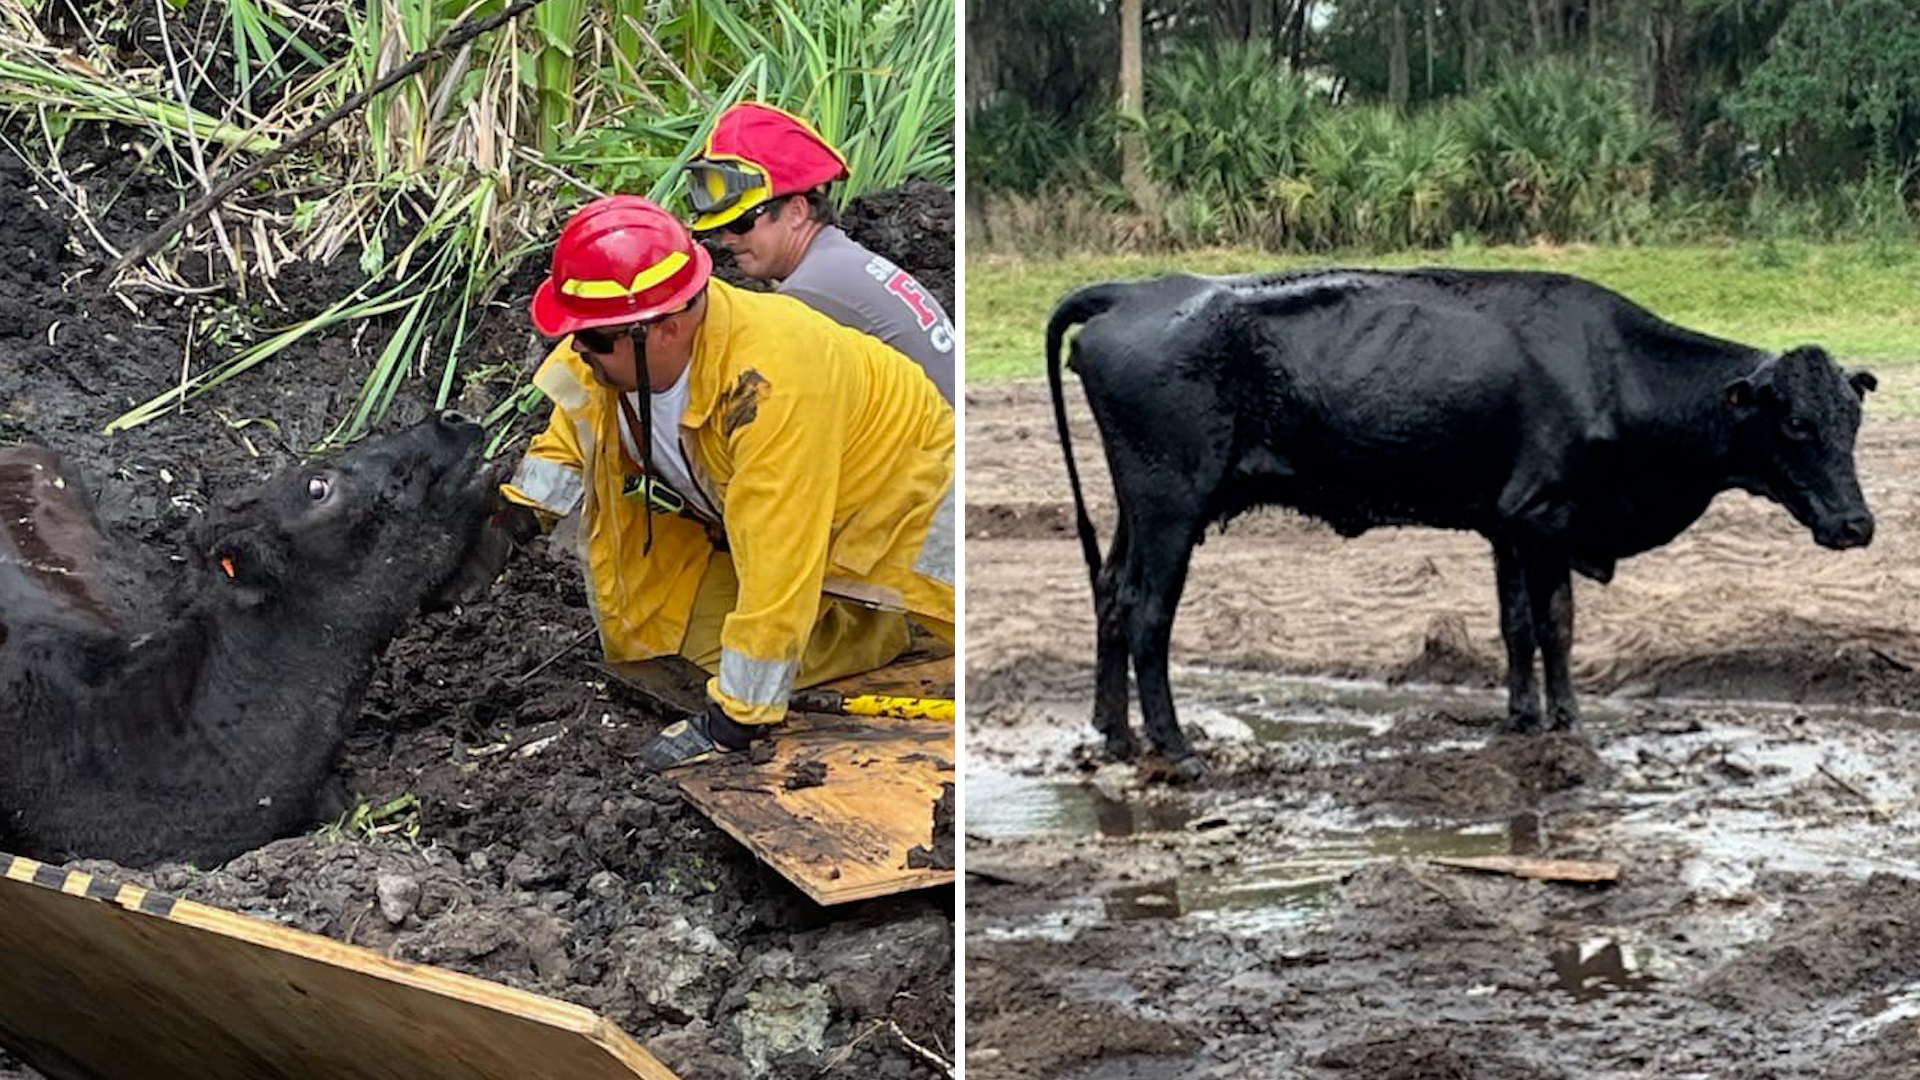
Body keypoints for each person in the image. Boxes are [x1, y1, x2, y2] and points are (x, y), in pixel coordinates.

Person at [499, 195, 954, 770]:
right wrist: (510, 522)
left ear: (665, 328)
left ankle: (885, 627)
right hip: (782, 524)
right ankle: (838, 627)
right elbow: (573, 432)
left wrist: (733, 722)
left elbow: (778, 556)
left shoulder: (769, 385)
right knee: (681, 651)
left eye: (594, 340)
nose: (578, 352)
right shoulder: (612, 358)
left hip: (901, 519)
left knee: (761, 658)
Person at [684, 102, 955, 403]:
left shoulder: (809, 293)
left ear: (797, 211)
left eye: (740, 223)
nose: (726, 240)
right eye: (718, 229)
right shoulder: (838, 261)